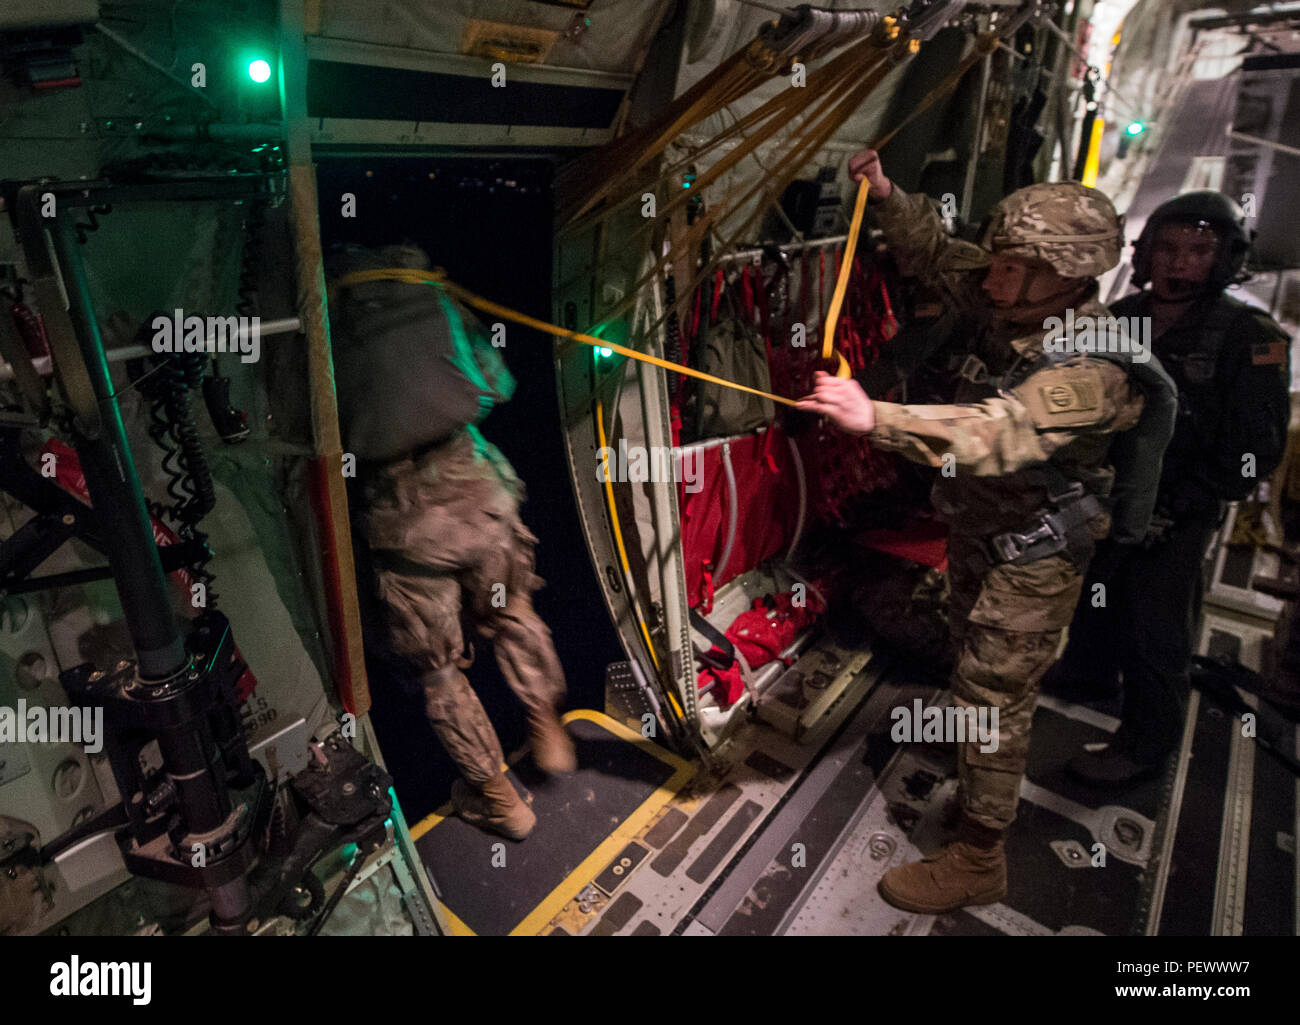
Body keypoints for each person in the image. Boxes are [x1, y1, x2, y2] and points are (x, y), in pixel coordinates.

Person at [798, 150, 1153, 914]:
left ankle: (979, 854)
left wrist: (875, 417)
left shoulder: (1095, 366)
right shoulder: (1015, 297)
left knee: (994, 696)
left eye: (1010, 267)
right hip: (984, 538)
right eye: (996, 263)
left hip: (1032, 560)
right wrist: (887, 195)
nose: (989, 278)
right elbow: (936, 253)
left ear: (1062, 276)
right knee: (971, 672)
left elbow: (1003, 430)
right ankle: (975, 778)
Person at [328, 244, 575, 841]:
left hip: (408, 527)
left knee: (439, 674)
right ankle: (546, 729)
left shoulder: (324, 323)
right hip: (484, 503)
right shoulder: (425, 294)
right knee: (513, 612)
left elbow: (302, 436)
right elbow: (495, 381)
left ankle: (500, 801)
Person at [1048, 192, 1292, 786]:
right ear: (1147, 253)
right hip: (1113, 490)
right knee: (1098, 591)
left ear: (1225, 258)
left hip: (1182, 504)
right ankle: (1089, 671)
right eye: (1169, 248)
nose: (1181, 264)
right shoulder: (1123, 316)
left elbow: (1259, 448)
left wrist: (1183, 502)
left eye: (1200, 251)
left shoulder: (1254, 336)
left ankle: (1146, 744)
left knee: (1156, 624)